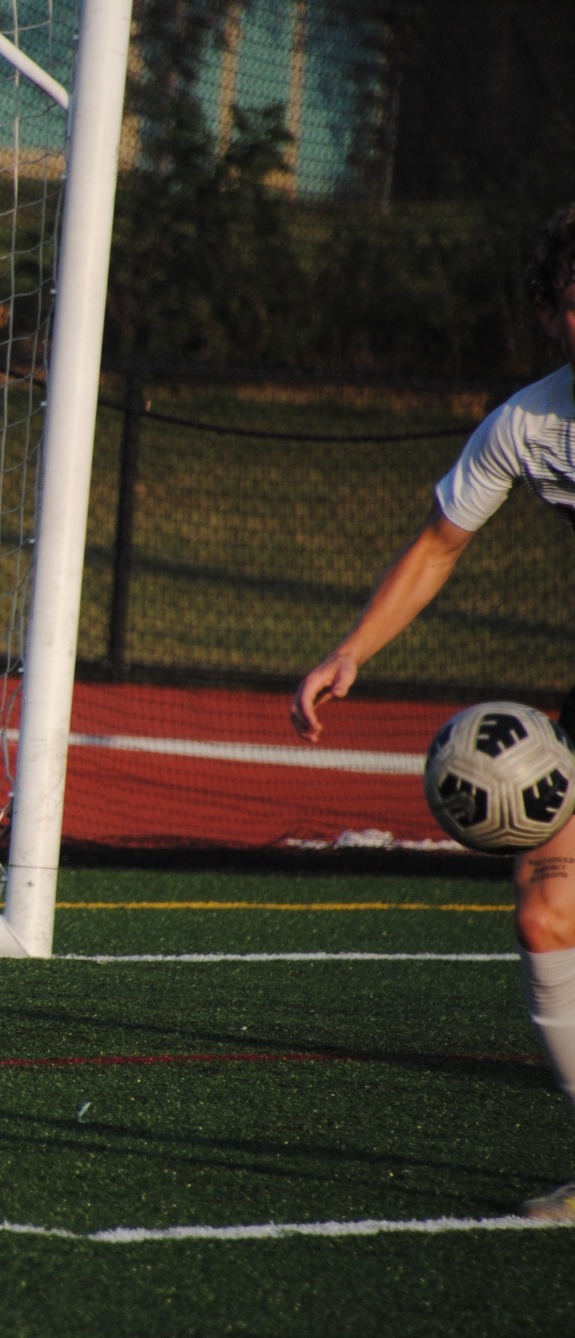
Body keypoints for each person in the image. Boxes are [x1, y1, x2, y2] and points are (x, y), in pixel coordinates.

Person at [291, 202, 575, 1221]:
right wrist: (348, 650)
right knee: (546, 912)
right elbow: (437, 544)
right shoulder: (528, 426)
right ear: (551, 317)